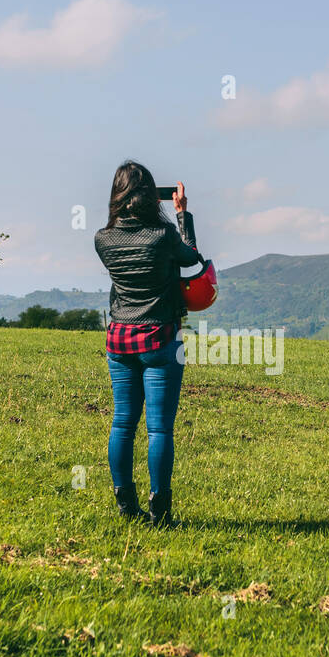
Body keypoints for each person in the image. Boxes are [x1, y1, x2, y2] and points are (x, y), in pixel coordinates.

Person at [94, 161, 202, 526]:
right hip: (160, 338)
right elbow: (192, 257)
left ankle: (126, 505)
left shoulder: (102, 239)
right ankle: (160, 511)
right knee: (159, 429)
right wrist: (181, 214)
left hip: (119, 339)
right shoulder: (162, 234)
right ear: (149, 195)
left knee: (122, 423)